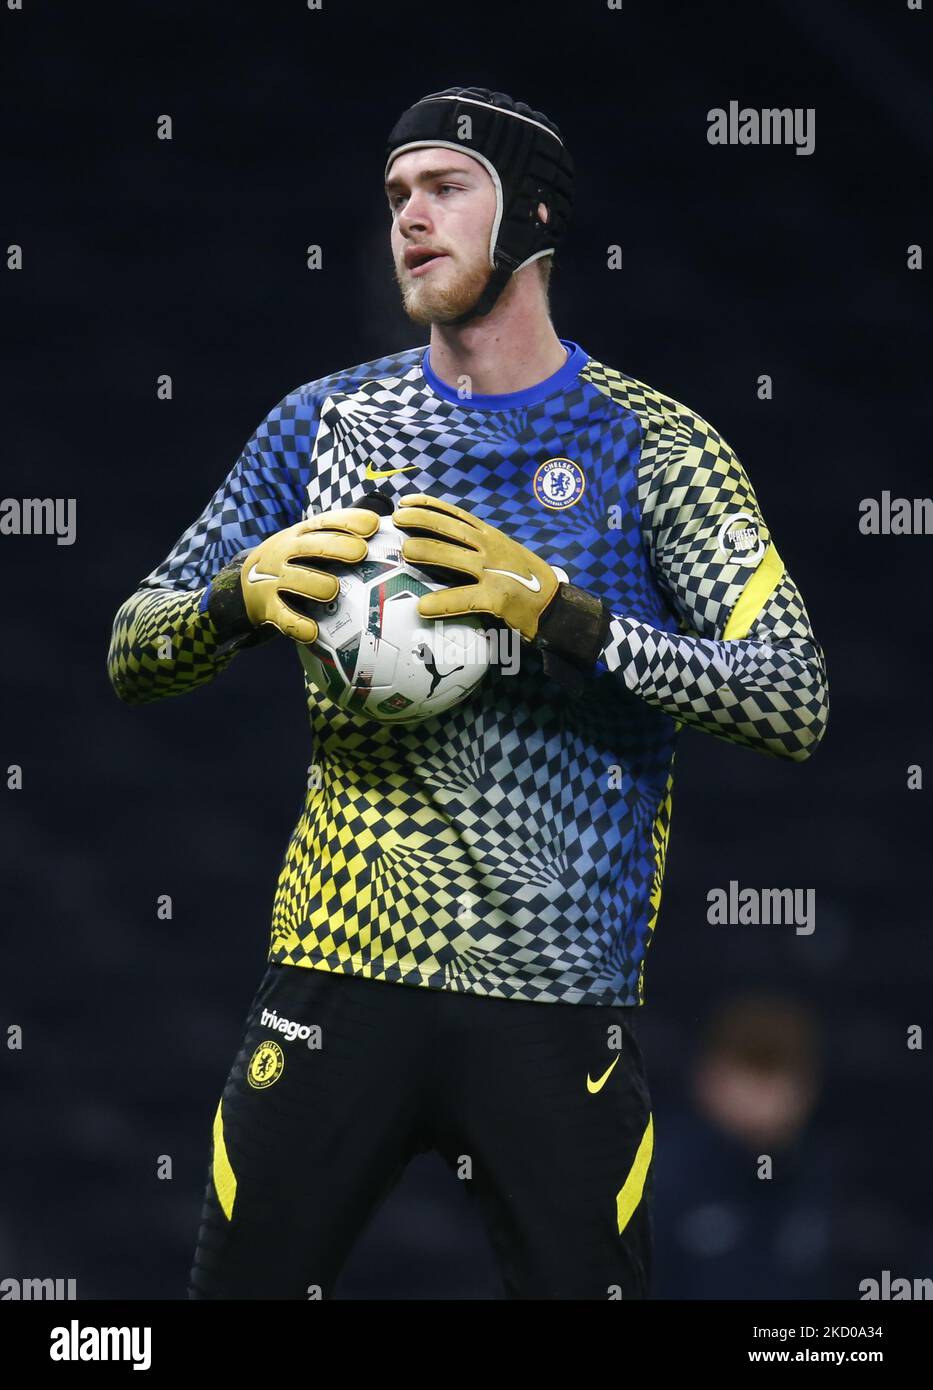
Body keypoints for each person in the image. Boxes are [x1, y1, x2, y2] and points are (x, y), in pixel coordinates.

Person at [106, 85, 829, 1300]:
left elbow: (792, 696)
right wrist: (233, 596)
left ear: (535, 216)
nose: (411, 218)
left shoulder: (656, 445)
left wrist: (569, 620)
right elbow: (134, 644)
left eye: (446, 187)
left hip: (554, 992)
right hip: (341, 962)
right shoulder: (321, 425)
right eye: (396, 195)